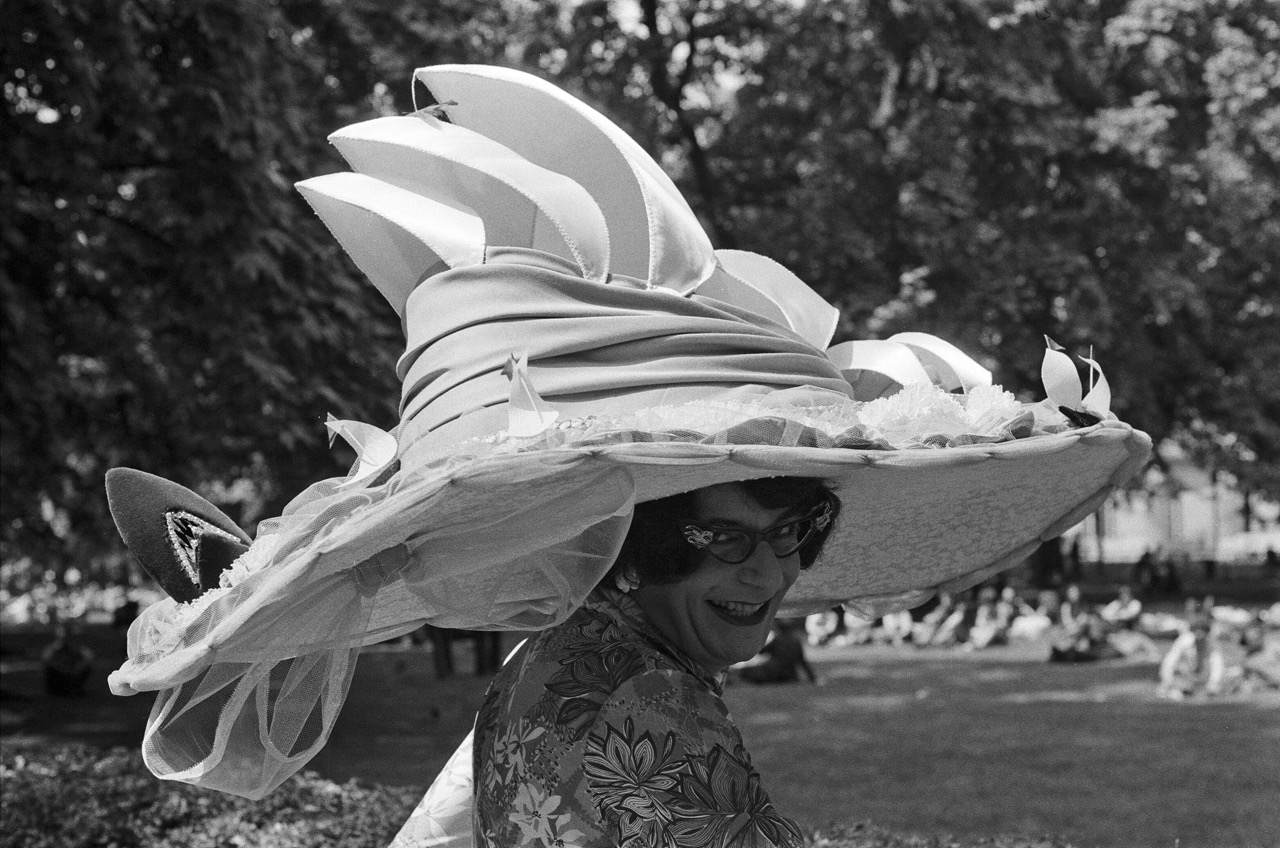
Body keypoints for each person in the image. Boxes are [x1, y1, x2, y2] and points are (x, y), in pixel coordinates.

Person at [101, 64, 1152, 842]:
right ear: (635, 532)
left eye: (795, 527)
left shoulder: (577, 655)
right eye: (722, 536)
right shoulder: (632, 705)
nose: (771, 568)